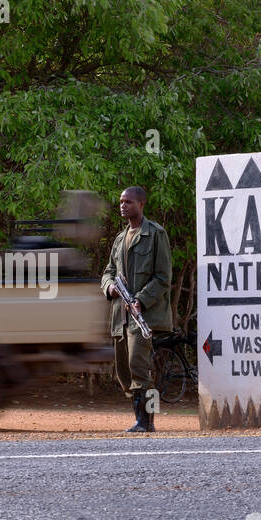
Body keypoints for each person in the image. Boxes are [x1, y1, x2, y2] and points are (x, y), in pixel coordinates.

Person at [100, 185, 172, 432]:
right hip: (121, 315)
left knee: (139, 367)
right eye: (121, 202)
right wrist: (110, 287)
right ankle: (140, 418)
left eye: (128, 202)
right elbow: (109, 271)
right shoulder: (120, 239)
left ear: (142, 204)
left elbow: (163, 277)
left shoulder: (155, 234)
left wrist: (141, 299)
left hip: (144, 315)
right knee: (124, 372)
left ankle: (147, 421)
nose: (123, 206)